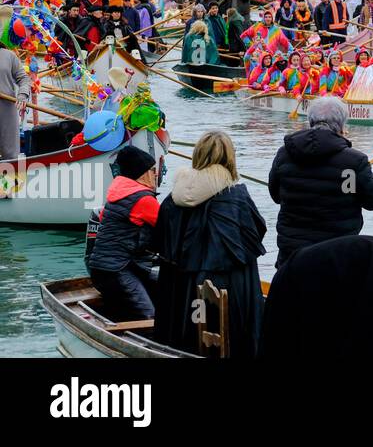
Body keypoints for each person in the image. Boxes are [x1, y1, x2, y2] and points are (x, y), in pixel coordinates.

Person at [152, 131, 266, 356]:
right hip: (231, 286)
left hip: (182, 290)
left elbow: (160, 245)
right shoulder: (236, 198)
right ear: (230, 160)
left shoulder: (173, 198)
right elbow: (255, 234)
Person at [267, 96, 373, 269]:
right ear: (342, 125)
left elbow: (276, 195)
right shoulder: (352, 162)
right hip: (337, 258)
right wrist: (358, 176)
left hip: (292, 257)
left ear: (310, 121)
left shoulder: (285, 154)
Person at [86, 146, 161, 321]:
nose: (155, 174)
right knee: (150, 317)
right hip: (116, 271)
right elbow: (170, 228)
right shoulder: (144, 200)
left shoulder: (116, 194)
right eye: (152, 170)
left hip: (101, 270)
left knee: (164, 286)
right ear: (141, 173)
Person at [0, 42, 31, 164]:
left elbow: (24, 79)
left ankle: (12, 181)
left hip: (6, 110)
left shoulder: (9, 55)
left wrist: (22, 95)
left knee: (11, 155)